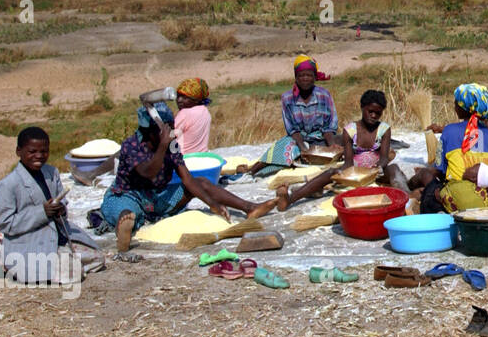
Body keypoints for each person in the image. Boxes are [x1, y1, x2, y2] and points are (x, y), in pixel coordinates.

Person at [103, 103, 277, 252]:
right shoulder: (132, 145)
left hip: (159, 197)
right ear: (151, 132)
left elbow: (186, 178)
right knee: (127, 211)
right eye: (167, 128)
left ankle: (249, 207)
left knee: (201, 182)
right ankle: (124, 229)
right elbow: (148, 172)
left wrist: (213, 204)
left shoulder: (171, 145)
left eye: (172, 127)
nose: (172, 132)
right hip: (129, 195)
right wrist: (163, 146)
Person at [0, 127, 99, 283]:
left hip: (57, 234)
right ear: (19, 151)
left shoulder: (51, 173)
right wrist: (42, 212)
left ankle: (65, 260)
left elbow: (61, 200)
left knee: (98, 259)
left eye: (44, 151)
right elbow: (4, 223)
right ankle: (18, 265)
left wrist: (61, 208)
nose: (39, 156)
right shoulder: (9, 184)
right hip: (29, 241)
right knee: (72, 275)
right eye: (32, 151)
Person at [274, 90, 411, 209]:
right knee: (331, 173)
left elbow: (384, 157)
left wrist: (379, 167)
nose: (374, 116)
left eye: (378, 113)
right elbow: (348, 162)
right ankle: (291, 199)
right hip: (355, 172)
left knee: (394, 169)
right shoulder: (350, 130)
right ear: (362, 108)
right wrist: (342, 171)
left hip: (377, 171)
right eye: (370, 111)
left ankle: (408, 201)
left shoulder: (384, 129)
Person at [412, 84, 488, 214]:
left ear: (462, 108)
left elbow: (441, 171)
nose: (454, 106)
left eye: (456, 103)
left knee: (429, 186)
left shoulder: (449, 131)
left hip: (458, 196)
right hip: (483, 198)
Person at [241, 56, 339, 177]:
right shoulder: (287, 98)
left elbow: (330, 126)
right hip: (299, 140)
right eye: (301, 76)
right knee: (283, 148)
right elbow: (292, 130)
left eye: (309, 75)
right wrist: (303, 148)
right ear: (296, 77)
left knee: (339, 147)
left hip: (320, 139)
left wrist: (331, 146)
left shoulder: (324, 95)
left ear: (315, 77)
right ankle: (253, 170)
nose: (305, 79)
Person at [174, 77, 212, 154]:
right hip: (202, 155)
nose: (179, 100)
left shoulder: (184, 113)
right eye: (178, 96)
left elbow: (171, 136)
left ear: (196, 100)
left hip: (185, 158)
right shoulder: (205, 111)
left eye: (184, 97)